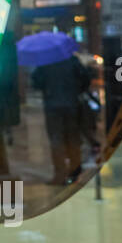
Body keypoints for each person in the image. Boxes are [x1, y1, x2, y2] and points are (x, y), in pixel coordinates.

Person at [30, 53, 91, 184]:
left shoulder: (45, 61)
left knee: (56, 139)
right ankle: (75, 172)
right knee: (73, 137)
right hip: (71, 104)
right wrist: (76, 90)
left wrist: (47, 87)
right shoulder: (73, 60)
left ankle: (60, 174)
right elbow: (86, 78)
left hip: (52, 105)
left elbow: (36, 82)